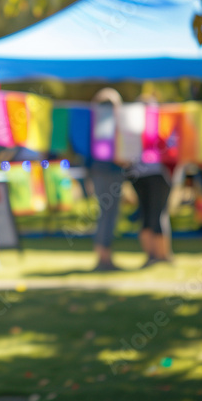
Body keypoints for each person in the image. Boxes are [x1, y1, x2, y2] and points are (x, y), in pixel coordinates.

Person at [89, 88, 124, 271]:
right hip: (109, 172)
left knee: (106, 214)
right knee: (108, 215)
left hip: (100, 171)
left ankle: (104, 256)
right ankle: (104, 258)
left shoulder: (93, 121)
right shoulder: (109, 122)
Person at [129, 161, 172, 267]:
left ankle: (151, 256)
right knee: (159, 213)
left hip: (137, 173)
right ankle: (162, 256)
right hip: (157, 172)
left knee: (146, 214)